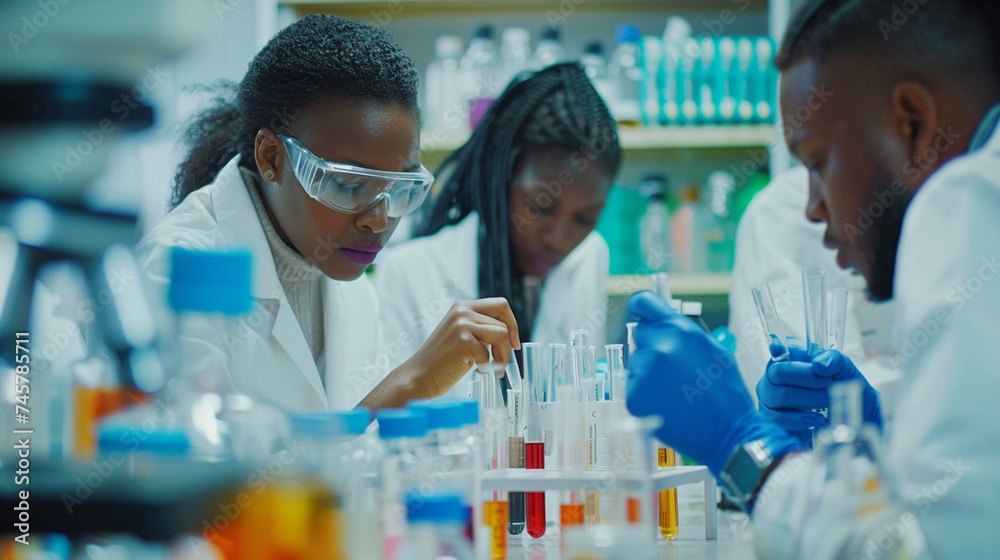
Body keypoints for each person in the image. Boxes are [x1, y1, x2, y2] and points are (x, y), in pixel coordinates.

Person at [625, 0, 1000, 557]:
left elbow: (929, 550)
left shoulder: (973, 195)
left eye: (818, 162)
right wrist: (884, 437)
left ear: (914, 124)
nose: (811, 209)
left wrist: (746, 451)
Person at [136, 15, 519, 413]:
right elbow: (197, 469)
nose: (379, 220)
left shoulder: (352, 287)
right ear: (271, 157)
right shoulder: (174, 270)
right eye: (349, 185)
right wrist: (412, 382)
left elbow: (349, 464)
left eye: (402, 188)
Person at [373, 62, 620, 397]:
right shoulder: (407, 271)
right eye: (540, 206)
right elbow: (387, 428)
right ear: (500, 180)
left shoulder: (591, 255)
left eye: (584, 219)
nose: (559, 237)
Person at [728, 166, 902, 434]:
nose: (812, 210)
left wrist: (881, 415)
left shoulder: (963, 194)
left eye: (819, 162)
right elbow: (816, 396)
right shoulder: (785, 212)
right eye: (813, 163)